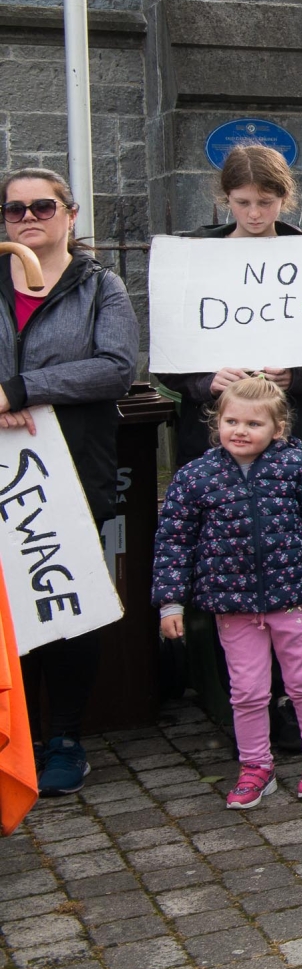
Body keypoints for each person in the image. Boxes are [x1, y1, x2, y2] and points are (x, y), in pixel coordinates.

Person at [152, 377, 302, 808]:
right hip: (233, 606)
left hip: (295, 599)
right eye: (231, 421)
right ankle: (255, 766)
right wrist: (171, 601)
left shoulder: (300, 467)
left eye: (253, 423)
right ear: (216, 423)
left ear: (278, 428)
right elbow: (173, 541)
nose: (240, 430)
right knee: (246, 691)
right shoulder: (196, 477)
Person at [1, 169, 138, 795]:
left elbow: (114, 368)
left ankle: (63, 735)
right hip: (5, 465)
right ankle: (15, 734)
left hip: (72, 462)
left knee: (62, 598)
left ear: (70, 214)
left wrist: (24, 389)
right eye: (14, 209)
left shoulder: (100, 286)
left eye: (42, 206)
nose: (28, 218)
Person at [155, 145, 302, 469]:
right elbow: (166, 354)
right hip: (215, 434)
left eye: (265, 203)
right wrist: (206, 382)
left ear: (284, 197)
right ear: (226, 197)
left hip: (298, 431)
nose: (254, 214)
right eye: (242, 203)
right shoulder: (191, 260)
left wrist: (298, 376)